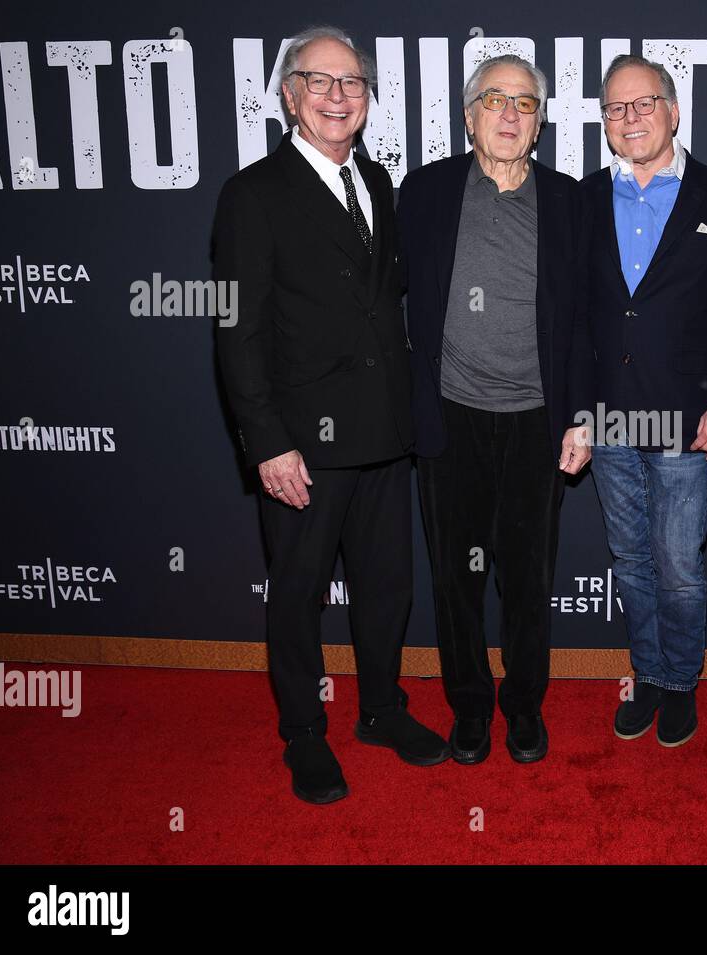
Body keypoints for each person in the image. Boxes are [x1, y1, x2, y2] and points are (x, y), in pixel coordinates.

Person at [213, 26, 448, 805]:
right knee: (298, 592)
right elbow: (238, 332)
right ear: (290, 96)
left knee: (387, 587)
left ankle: (381, 709)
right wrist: (267, 443)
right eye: (320, 82)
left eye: (352, 83)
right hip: (303, 445)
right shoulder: (253, 194)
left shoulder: (377, 180)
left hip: (384, 431)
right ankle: (304, 732)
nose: (339, 96)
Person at [398, 54, 592, 765]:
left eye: (525, 103)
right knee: (456, 579)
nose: (510, 115)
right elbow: (383, 299)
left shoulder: (570, 201)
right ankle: (471, 707)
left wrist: (581, 416)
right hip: (451, 419)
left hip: (537, 421)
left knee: (528, 580)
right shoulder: (426, 191)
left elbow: (587, 322)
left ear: (539, 124)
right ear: (469, 115)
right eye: (495, 100)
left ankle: (524, 705)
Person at [581, 54, 707, 747]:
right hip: (610, 415)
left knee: (680, 566)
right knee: (630, 561)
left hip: (689, 415)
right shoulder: (585, 197)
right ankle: (649, 673)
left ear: (674, 111)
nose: (630, 118)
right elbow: (572, 315)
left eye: (643, 103)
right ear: (604, 122)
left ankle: (682, 681)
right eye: (616, 109)